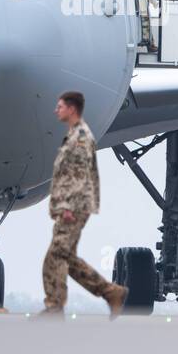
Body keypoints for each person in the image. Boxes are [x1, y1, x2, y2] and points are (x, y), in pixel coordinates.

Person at [41, 92, 128, 317]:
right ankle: (111, 292)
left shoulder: (80, 137)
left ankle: (55, 307)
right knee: (65, 257)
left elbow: (79, 176)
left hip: (74, 207)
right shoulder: (74, 135)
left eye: (59, 106)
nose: (55, 110)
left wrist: (68, 207)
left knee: (55, 256)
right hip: (72, 206)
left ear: (72, 109)